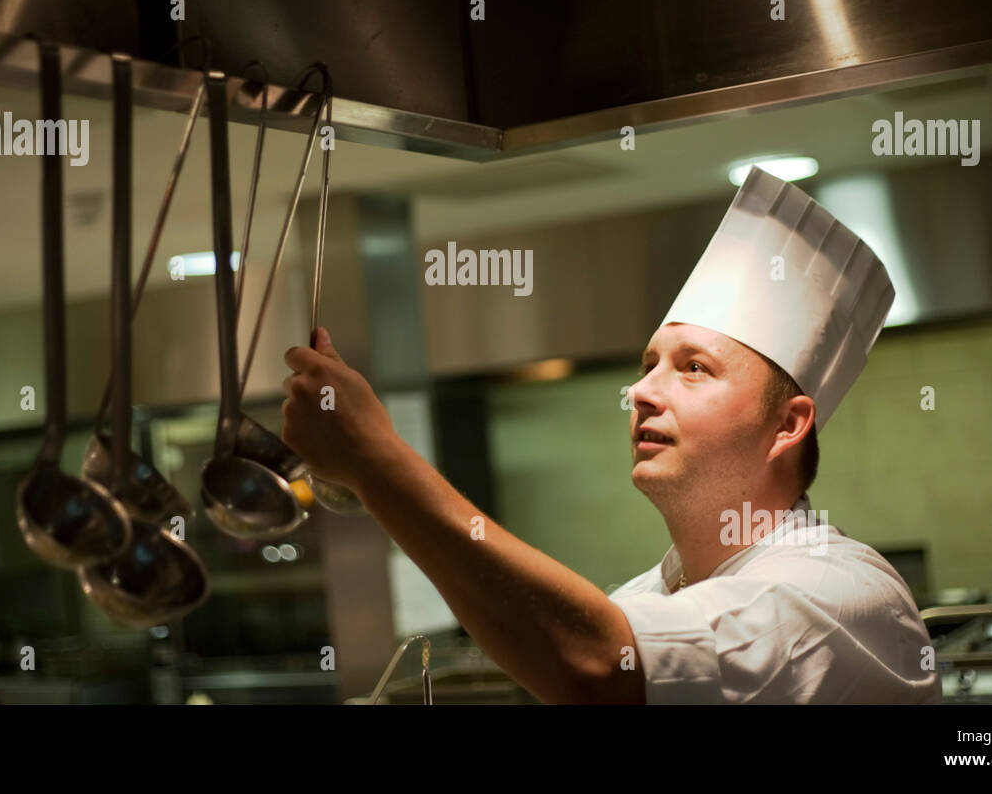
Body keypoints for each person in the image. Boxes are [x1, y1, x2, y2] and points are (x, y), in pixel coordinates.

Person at [280, 167, 940, 704]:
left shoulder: (839, 595)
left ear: (786, 425)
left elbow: (596, 667)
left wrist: (376, 461)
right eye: (648, 366)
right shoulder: (640, 601)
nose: (645, 391)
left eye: (693, 369)